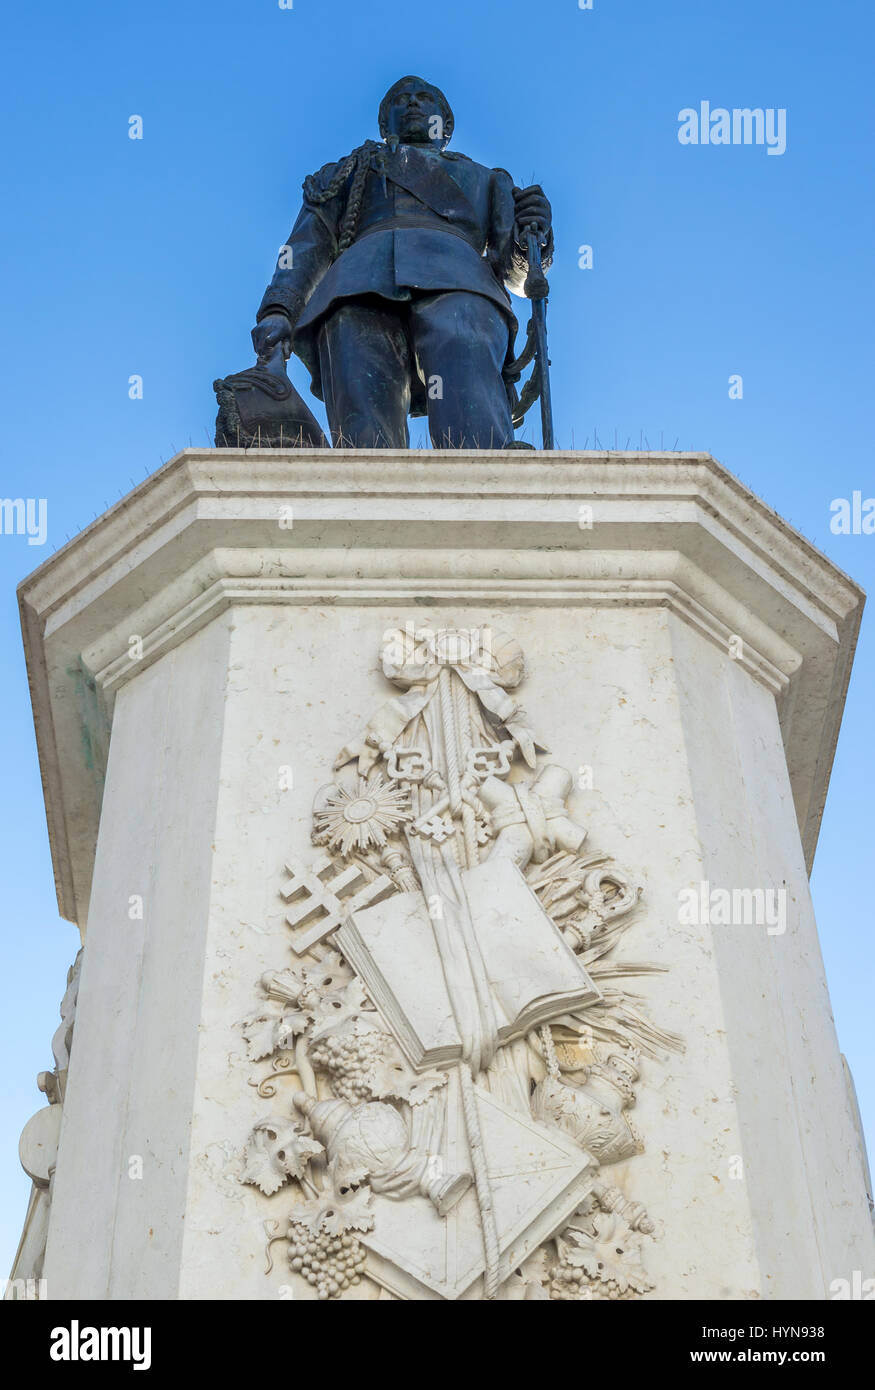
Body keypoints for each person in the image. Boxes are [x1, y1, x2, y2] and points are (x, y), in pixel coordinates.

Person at [252, 75, 553, 449]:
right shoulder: (349, 171)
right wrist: (279, 308)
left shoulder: (488, 180)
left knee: (474, 418)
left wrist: (532, 236)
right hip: (355, 288)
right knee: (364, 435)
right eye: (401, 99)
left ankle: (491, 496)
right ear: (383, 125)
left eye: (425, 98)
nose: (412, 103)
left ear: (447, 125)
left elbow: (517, 277)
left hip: (461, 286)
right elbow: (307, 242)